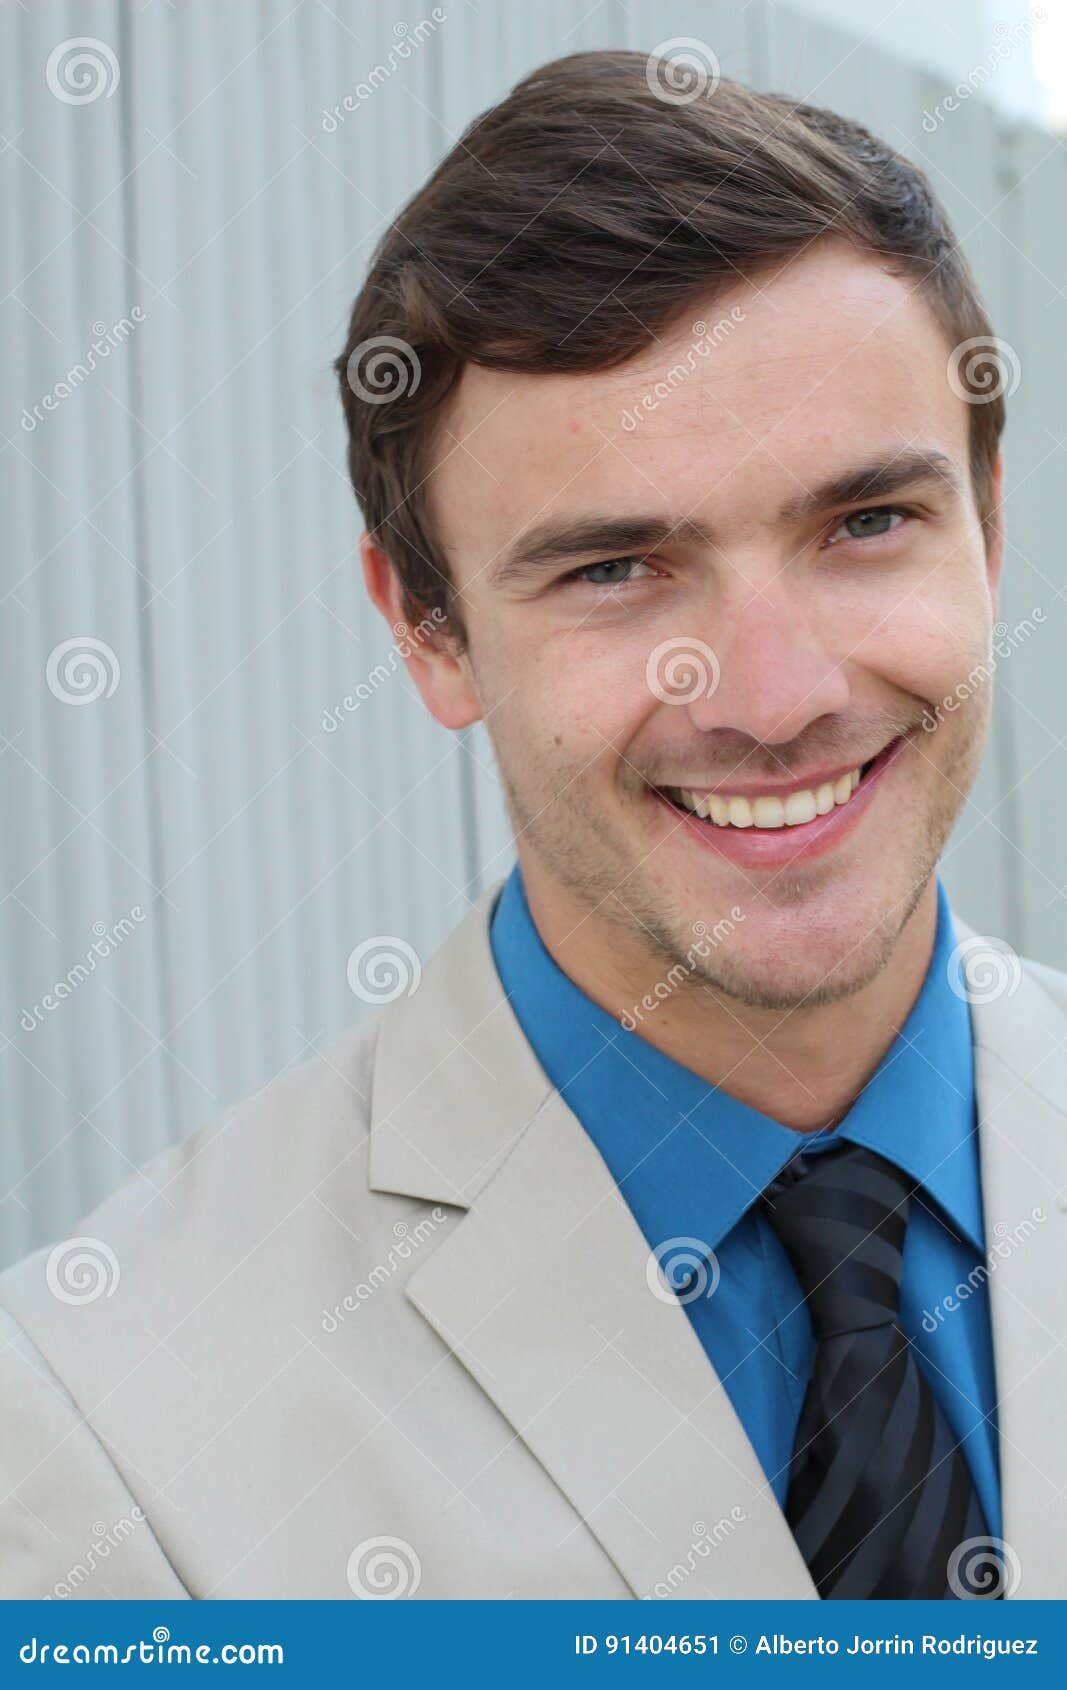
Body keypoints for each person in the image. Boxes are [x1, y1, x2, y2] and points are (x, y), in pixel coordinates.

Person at [2, 50, 1063, 1602]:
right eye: (617, 567)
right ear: (428, 628)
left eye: (867, 523)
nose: (772, 695)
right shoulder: (103, 1424)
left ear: (990, 522)